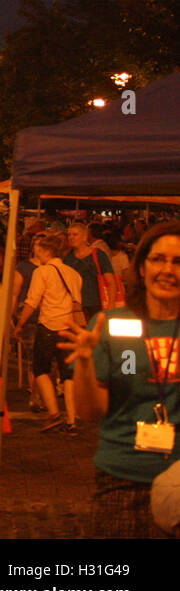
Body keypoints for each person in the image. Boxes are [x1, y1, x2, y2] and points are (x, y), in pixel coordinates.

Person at [65, 222, 180, 536]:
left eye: (178, 261)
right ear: (141, 268)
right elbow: (90, 412)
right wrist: (87, 365)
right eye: (158, 259)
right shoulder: (111, 324)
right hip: (122, 478)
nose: (168, 270)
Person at [15, 235, 83, 434]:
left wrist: (20, 323)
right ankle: (71, 420)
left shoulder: (42, 272)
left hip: (48, 326)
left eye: (40, 251)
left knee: (41, 369)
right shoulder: (74, 274)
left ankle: (54, 414)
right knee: (67, 374)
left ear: (47, 252)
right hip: (69, 327)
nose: (38, 254)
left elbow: (32, 301)